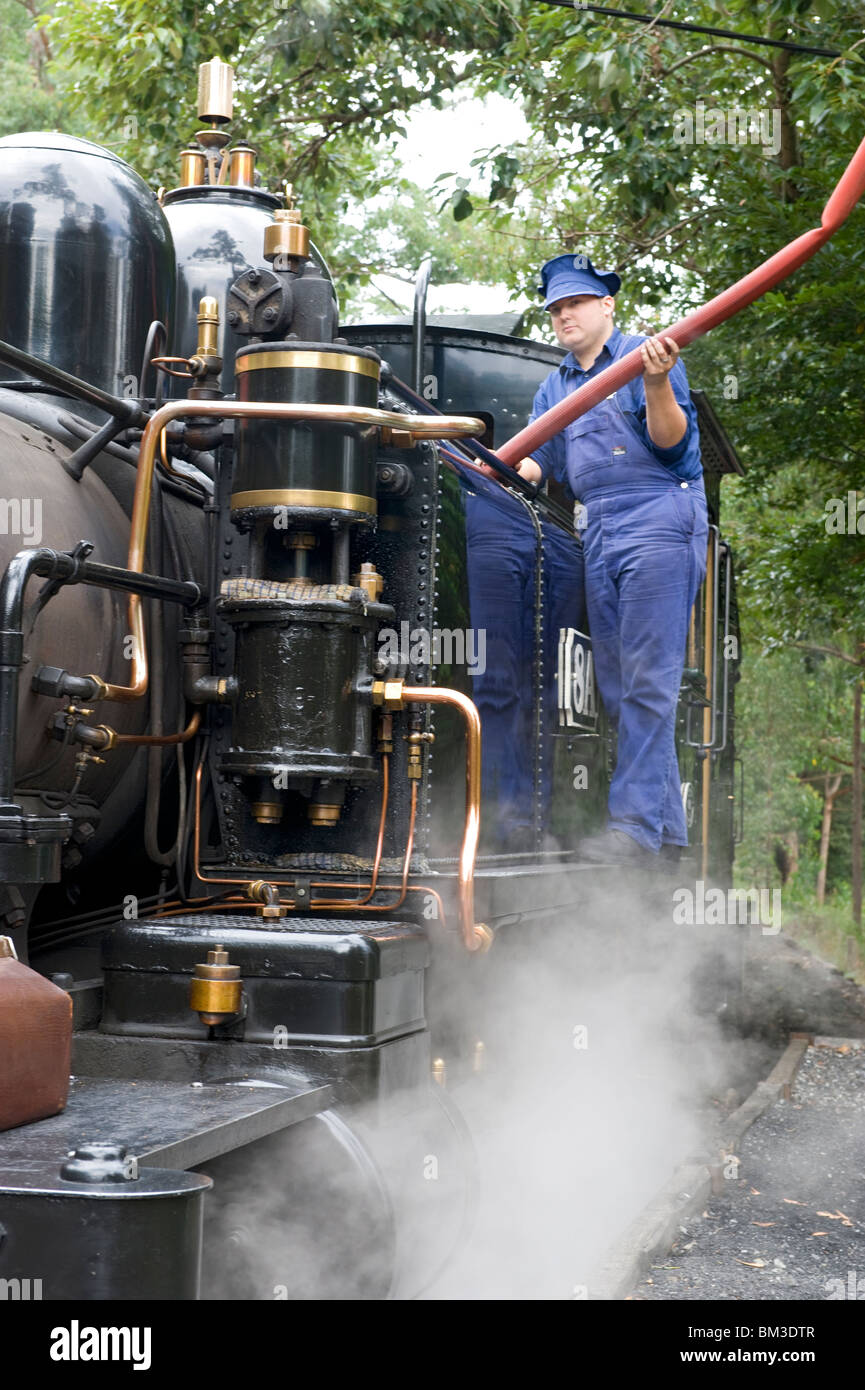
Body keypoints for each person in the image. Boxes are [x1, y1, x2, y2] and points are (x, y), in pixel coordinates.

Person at [516, 253, 709, 864]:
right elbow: (535, 461)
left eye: (575, 302)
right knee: (620, 686)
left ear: (607, 305)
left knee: (650, 680)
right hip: (596, 527)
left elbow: (673, 446)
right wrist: (491, 471)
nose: (563, 314)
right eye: (555, 307)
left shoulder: (647, 358)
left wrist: (655, 383)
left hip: (658, 517)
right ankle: (665, 838)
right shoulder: (555, 387)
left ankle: (630, 829)